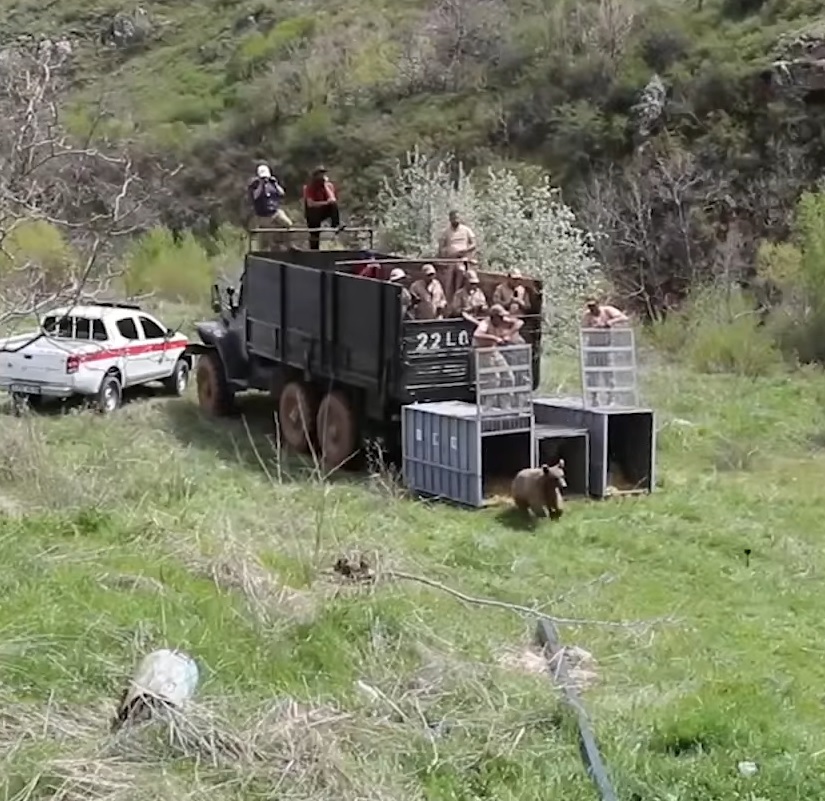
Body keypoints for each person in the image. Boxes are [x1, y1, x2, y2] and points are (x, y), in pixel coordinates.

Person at [472, 304, 526, 408]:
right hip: (483, 352)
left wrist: (509, 334)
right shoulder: (485, 324)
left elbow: (519, 322)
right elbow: (477, 334)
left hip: (494, 350)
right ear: (494, 317)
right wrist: (495, 338)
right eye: (500, 317)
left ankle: (506, 406)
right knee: (494, 380)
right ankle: (487, 408)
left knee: (508, 377)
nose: (502, 319)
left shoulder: (503, 321)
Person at [580, 297, 630, 407]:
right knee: (592, 374)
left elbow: (624, 318)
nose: (592, 309)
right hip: (593, 347)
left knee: (608, 373)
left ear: (598, 304)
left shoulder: (607, 310)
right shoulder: (587, 316)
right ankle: (594, 398)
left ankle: (611, 397)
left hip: (606, 347)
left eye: (594, 306)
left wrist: (609, 322)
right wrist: (594, 328)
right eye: (590, 307)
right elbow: (583, 329)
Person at [248, 164, 293, 250]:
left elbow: (282, 193)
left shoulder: (272, 183)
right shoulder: (254, 185)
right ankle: (265, 251)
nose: (265, 179)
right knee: (266, 236)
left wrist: (275, 184)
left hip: (275, 211)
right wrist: (261, 185)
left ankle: (288, 245)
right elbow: (255, 196)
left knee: (287, 224)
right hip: (263, 215)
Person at [438, 210, 477, 297]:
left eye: (457, 218)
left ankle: (458, 294)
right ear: (450, 219)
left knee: (461, 271)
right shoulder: (446, 232)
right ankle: (448, 298)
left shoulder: (466, 230)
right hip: (450, 260)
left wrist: (465, 251)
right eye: (453, 218)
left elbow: (474, 244)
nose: (456, 220)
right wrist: (446, 253)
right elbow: (441, 247)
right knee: (448, 279)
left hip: (462, 260)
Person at [303, 166, 341, 250]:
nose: (322, 177)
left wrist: (326, 186)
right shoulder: (310, 187)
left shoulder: (328, 186)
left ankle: (335, 226)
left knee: (333, 205)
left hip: (323, 210)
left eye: (323, 174)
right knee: (314, 234)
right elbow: (310, 204)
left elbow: (332, 200)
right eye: (320, 175)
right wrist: (325, 203)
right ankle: (314, 251)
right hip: (313, 212)